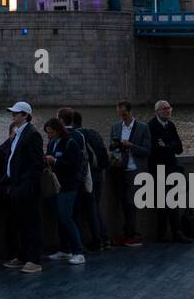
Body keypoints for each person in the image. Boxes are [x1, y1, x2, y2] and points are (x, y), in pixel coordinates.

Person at [0, 101, 46, 274]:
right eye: (12, 113)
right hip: (16, 186)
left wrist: (24, 187)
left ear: (26, 115)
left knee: (31, 224)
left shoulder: (32, 134)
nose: (13, 115)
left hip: (27, 189)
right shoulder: (19, 133)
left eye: (17, 113)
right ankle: (22, 256)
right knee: (20, 224)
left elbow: (36, 165)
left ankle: (34, 260)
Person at [42, 118, 86, 264]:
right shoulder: (52, 143)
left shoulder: (70, 143)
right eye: (48, 133)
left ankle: (78, 251)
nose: (49, 135)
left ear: (59, 130)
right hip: (56, 186)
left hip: (68, 187)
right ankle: (65, 249)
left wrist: (55, 161)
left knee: (66, 218)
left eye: (52, 132)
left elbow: (75, 165)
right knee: (61, 218)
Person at [67, 109, 110, 251]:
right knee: (95, 207)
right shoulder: (93, 132)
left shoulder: (77, 135)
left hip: (87, 176)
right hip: (99, 173)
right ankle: (105, 238)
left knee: (85, 209)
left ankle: (96, 241)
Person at [108, 100, 150, 247]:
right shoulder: (115, 126)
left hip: (135, 170)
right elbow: (111, 147)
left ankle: (133, 235)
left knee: (131, 203)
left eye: (124, 113)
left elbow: (147, 151)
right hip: (119, 169)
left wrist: (131, 146)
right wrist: (115, 146)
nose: (122, 116)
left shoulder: (143, 128)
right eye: (120, 114)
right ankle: (128, 234)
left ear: (130, 111)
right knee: (123, 203)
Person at [148, 101, 190, 243]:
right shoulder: (151, 126)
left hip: (172, 168)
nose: (168, 111)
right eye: (165, 109)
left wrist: (166, 145)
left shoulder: (171, 125)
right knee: (162, 202)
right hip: (158, 168)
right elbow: (155, 148)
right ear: (157, 111)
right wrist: (169, 145)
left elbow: (179, 148)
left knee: (172, 200)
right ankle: (163, 233)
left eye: (169, 108)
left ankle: (175, 232)